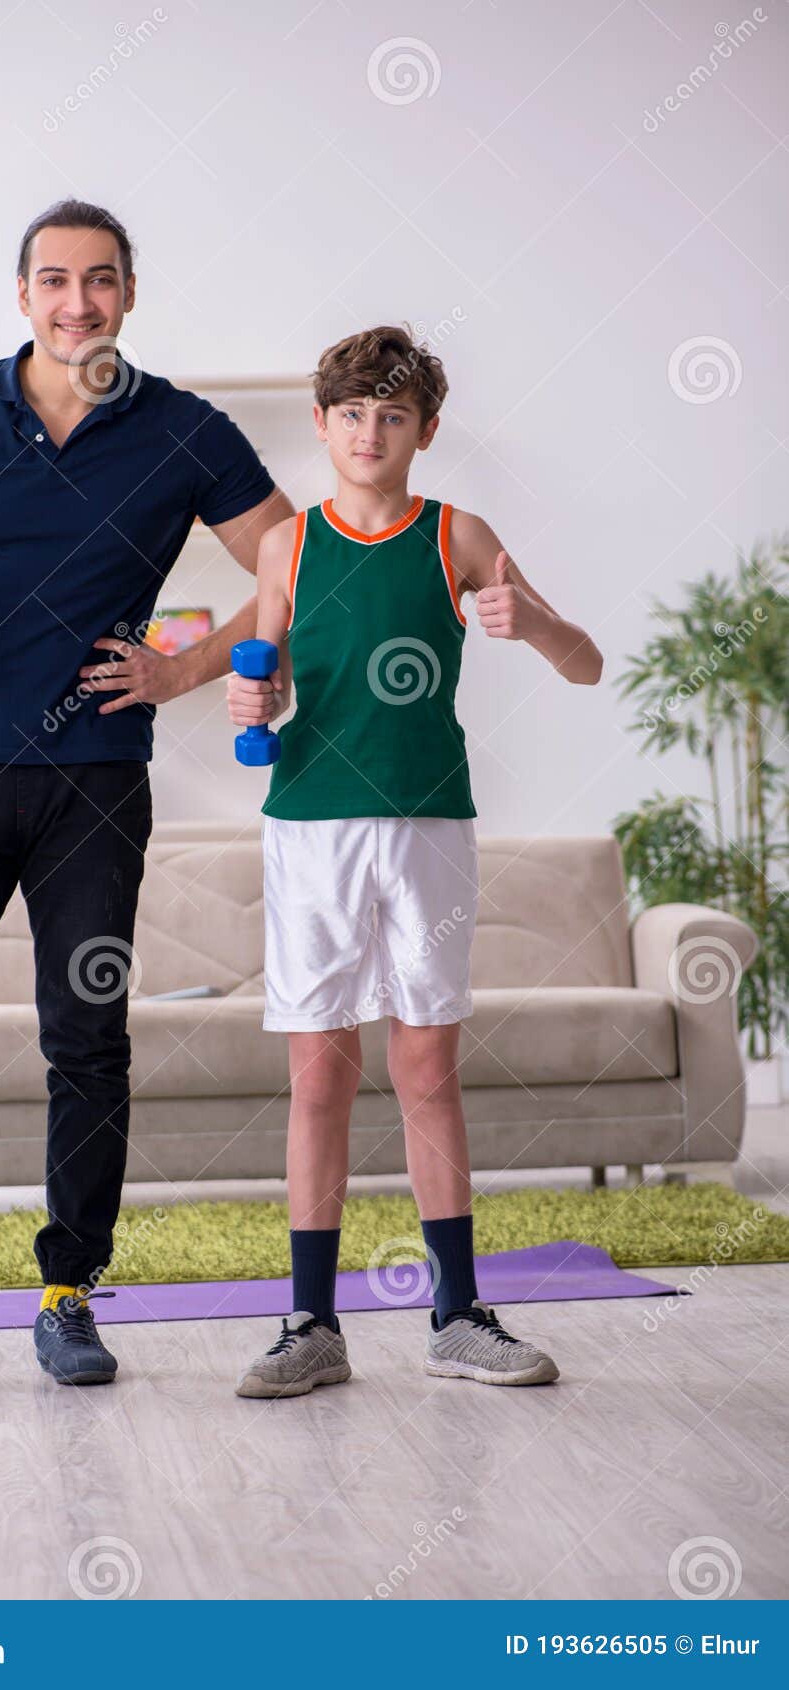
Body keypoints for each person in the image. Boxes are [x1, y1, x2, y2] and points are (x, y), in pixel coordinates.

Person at [0, 198, 293, 1394]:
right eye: (53, 280)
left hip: (93, 782)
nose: (76, 300)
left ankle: (69, 1295)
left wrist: (185, 669)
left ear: (129, 292)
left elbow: (299, 556)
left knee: (87, 1041)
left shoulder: (185, 431)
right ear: (23, 294)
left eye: (98, 279)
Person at [226, 325, 603, 1398]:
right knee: (317, 1080)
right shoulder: (286, 547)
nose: (369, 433)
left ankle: (456, 1313)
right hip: (310, 827)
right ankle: (310, 1323)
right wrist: (254, 699)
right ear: (322, 424)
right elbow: (273, 683)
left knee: (428, 1068)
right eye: (351, 414)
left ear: (424, 431)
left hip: (430, 822)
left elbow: (586, 665)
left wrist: (529, 620)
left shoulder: (459, 536)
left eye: (391, 416)